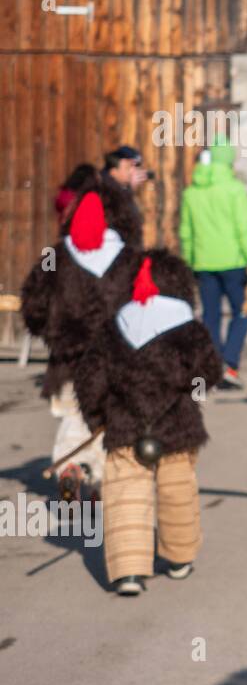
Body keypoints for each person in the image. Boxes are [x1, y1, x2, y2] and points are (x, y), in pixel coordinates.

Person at [74, 249, 224, 596]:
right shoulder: (190, 329)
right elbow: (209, 372)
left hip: (125, 426)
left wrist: (99, 417)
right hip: (177, 426)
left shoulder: (113, 328)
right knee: (178, 493)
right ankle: (179, 558)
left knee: (125, 496)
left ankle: (128, 572)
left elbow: (90, 379)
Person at [21, 179, 142, 501]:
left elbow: (33, 303)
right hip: (117, 360)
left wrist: (48, 331)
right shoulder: (130, 259)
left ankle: (70, 467)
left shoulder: (56, 255)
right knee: (107, 419)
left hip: (69, 359)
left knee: (75, 416)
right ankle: (98, 478)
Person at [179, 142, 247, 389]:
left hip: (203, 263)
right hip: (234, 262)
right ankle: (229, 363)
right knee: (243, 312)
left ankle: (212, 367)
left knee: (210, 316)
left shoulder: (191, 192)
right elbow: (243, 228)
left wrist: (190, 261)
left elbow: (186, 232)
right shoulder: (234, 189)